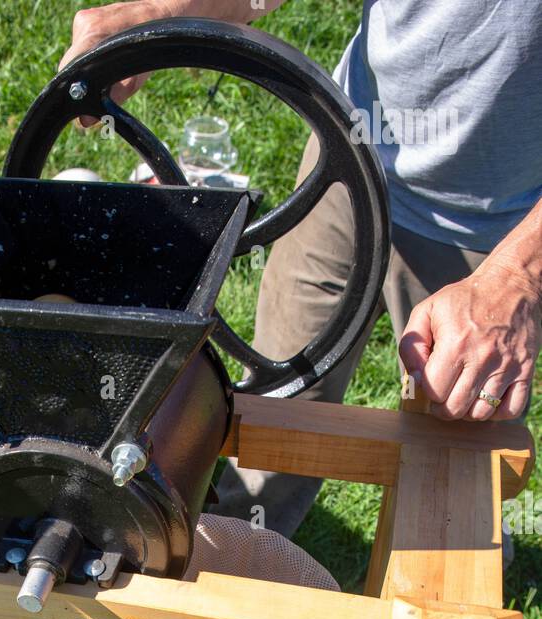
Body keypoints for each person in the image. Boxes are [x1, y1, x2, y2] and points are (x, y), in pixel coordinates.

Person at [61, 0, 542, 533]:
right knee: (278, 406)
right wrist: (162, 13)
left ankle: (466, 552)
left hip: (505, 229)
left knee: (459, 474)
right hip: (349, 161)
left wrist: (519, 276)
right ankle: (242, 559)